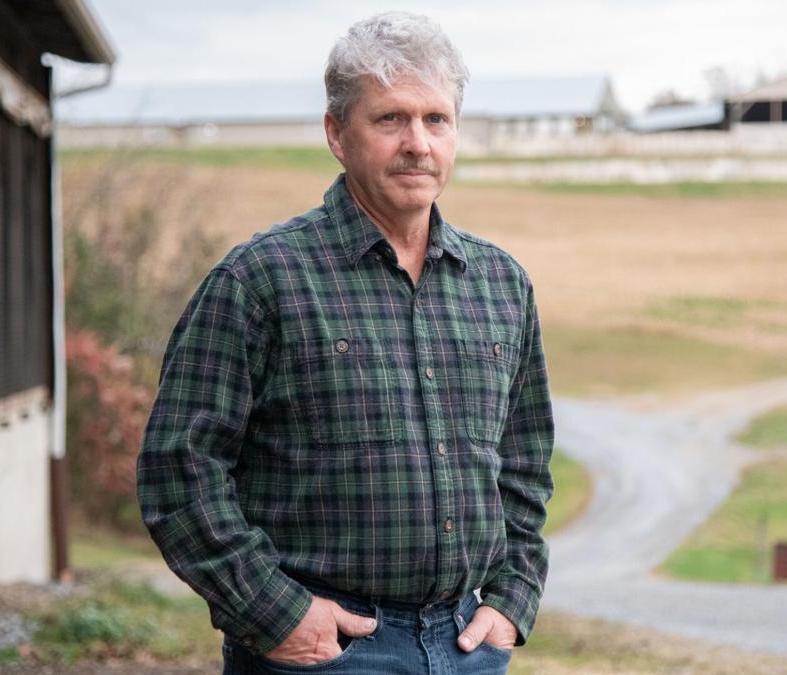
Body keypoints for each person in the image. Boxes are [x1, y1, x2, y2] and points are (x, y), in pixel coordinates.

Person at [137, 11, 554, 675]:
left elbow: (525, 464)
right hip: (323, 650)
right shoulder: (260, 280)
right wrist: (274, 612)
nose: (417, 142)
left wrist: (513, 596)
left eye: (436, 120)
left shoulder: (501, 284)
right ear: (337, 133)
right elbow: (178, 466)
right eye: (390, 119)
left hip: (468, 645)